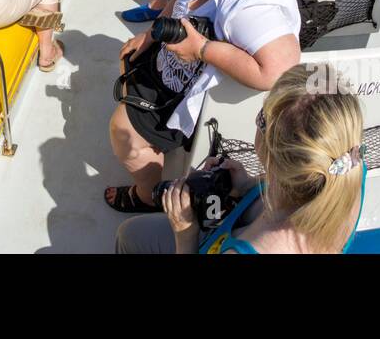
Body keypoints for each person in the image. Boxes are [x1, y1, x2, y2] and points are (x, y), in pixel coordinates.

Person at [106, 0, 301, 212]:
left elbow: (278, 71)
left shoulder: (254, 8)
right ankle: (157, 144)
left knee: (123, 132)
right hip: (177, 67)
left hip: (197, 84)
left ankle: (148, 195)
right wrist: (152, 35)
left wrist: (203, 49)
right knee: (128, 60)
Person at [115, 63, 365, 253]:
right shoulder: (347, 166)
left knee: (128, 236)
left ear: (269, 151)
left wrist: (186, 233)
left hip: (210, 243)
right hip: (237, 225)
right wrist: (247, 185)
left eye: (262, 117)